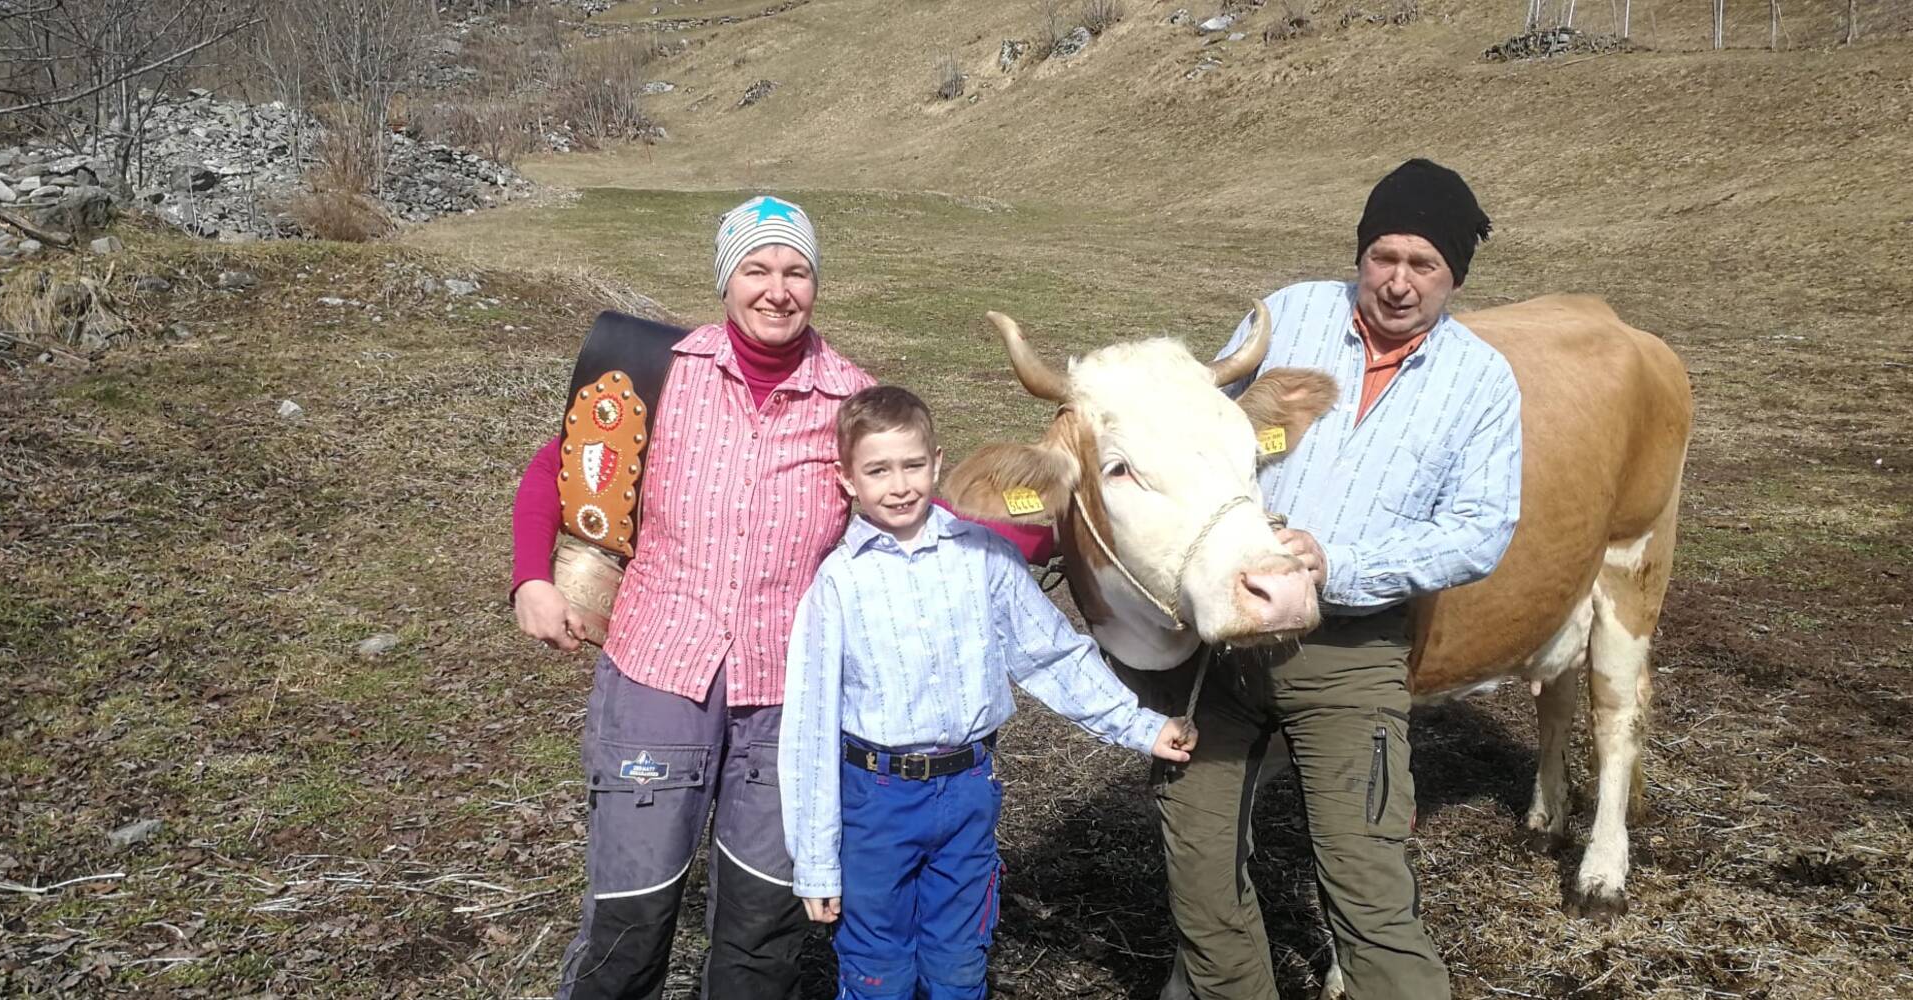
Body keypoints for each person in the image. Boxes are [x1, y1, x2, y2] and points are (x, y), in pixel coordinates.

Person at [509, 197, 1057, 1000]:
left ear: (816, 283)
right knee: (633, 909)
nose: (777, 289)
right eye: (757, 269)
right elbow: (558, 472)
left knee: (762, 927)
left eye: (796, 270)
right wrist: (530, 578)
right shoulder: (660, 375)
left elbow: (916, 511)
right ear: (726, 278)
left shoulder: (851, 398)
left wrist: (1062, 530)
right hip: (657, 669)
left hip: (787, 699)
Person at [1152, 158, 1524, 999]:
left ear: (1453, 276)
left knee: (1366, 890)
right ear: (1360, 253)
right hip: (1227, 641)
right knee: (1199, 869)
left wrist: (1340, 562)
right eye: (1382, 257)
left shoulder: (1480, 383)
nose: (1397, 283)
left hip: (1348, 654)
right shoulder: (1288, 315)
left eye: (1422, 265)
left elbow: (1480, 533)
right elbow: (1204, 430)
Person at [779, 385, 1198, 1000]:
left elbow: (1053, 654)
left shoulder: (985, 558)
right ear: (847, 480)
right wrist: (815, 861)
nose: (898, 486)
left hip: (967, 793)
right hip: (876, 802)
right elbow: (810, 726)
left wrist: (1140, 726)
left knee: (959, 959)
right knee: (878, 966)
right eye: (877, 471)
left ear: (938, 462)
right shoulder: (839, 582)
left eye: (912, 466)